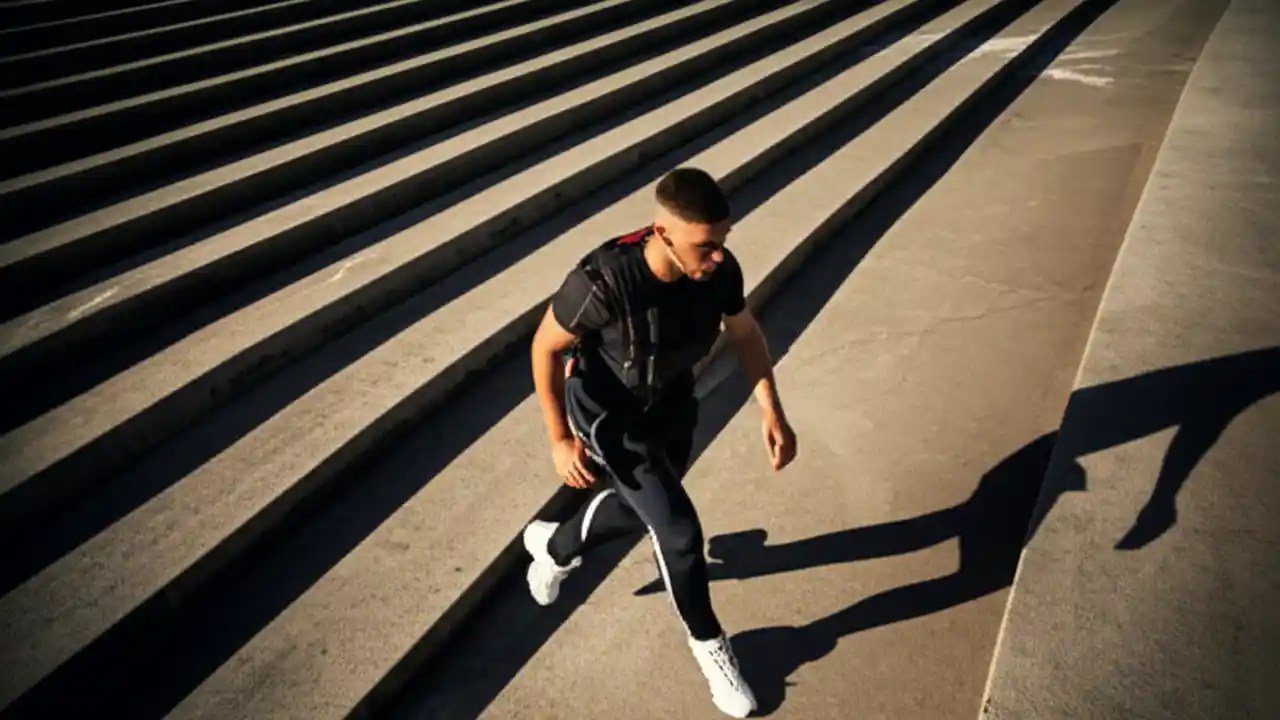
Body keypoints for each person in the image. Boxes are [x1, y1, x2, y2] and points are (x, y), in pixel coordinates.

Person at [524, 167, 798, 718]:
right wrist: (558, 438)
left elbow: (744, 333)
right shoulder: (602, 281)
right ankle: (713, 651)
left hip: (671, 402)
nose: (718, 256)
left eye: (723, 242)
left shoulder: (719, 271)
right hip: (609, 415)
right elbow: (544, 348)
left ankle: (553, 547)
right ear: (662, 233)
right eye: (705, 245)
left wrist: (772, 408)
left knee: (638, 510)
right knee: (677, 529)